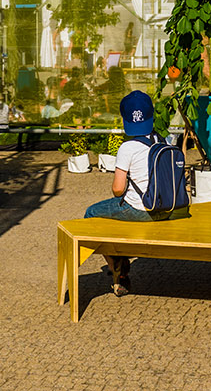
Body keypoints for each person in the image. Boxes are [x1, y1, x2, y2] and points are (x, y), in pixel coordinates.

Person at [83, 91, 184, 295]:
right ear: (151, 116)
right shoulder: (162, 139)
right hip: (167, 207)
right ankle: (120, 258)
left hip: (141, 209)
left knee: (91, 214)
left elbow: (118, 189)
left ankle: (115, 267)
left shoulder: (127, 147)